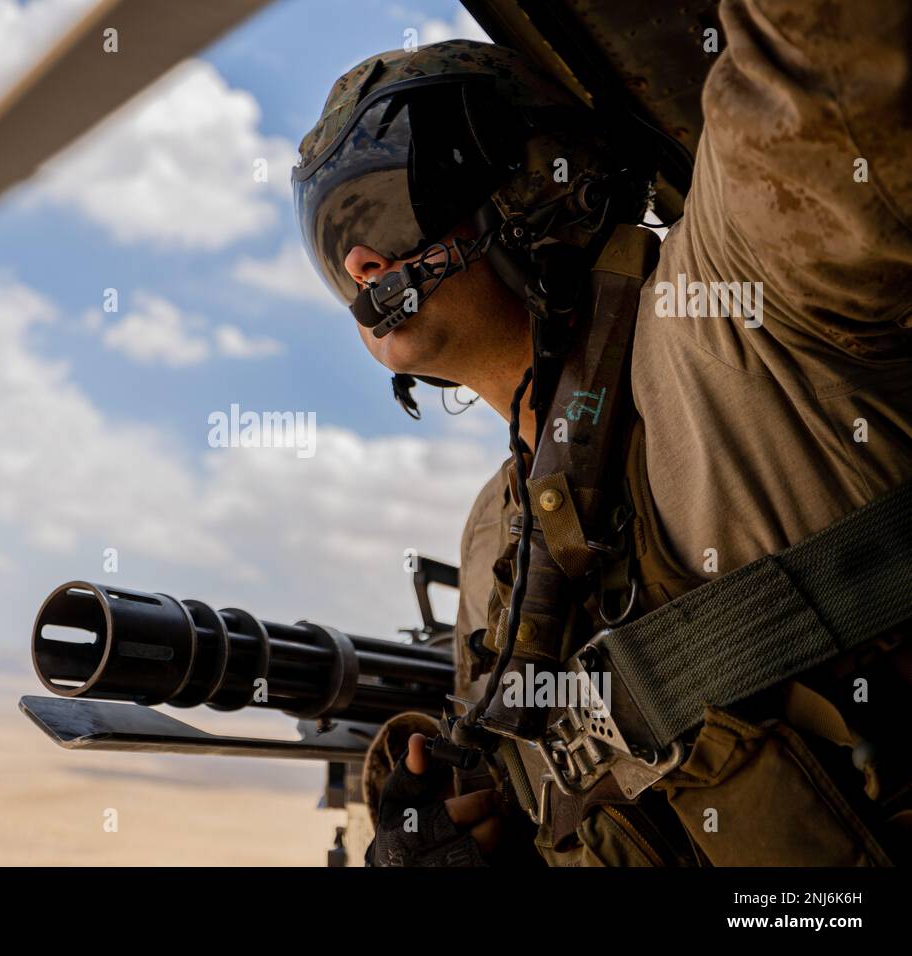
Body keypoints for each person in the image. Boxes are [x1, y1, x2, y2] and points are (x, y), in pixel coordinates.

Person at [293, 0, 912, 865]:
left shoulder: (736, 308)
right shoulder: (487, 546)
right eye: (331, 240)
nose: (359, 262)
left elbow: (821, 69)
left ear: (546, 175)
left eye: (392, 199)